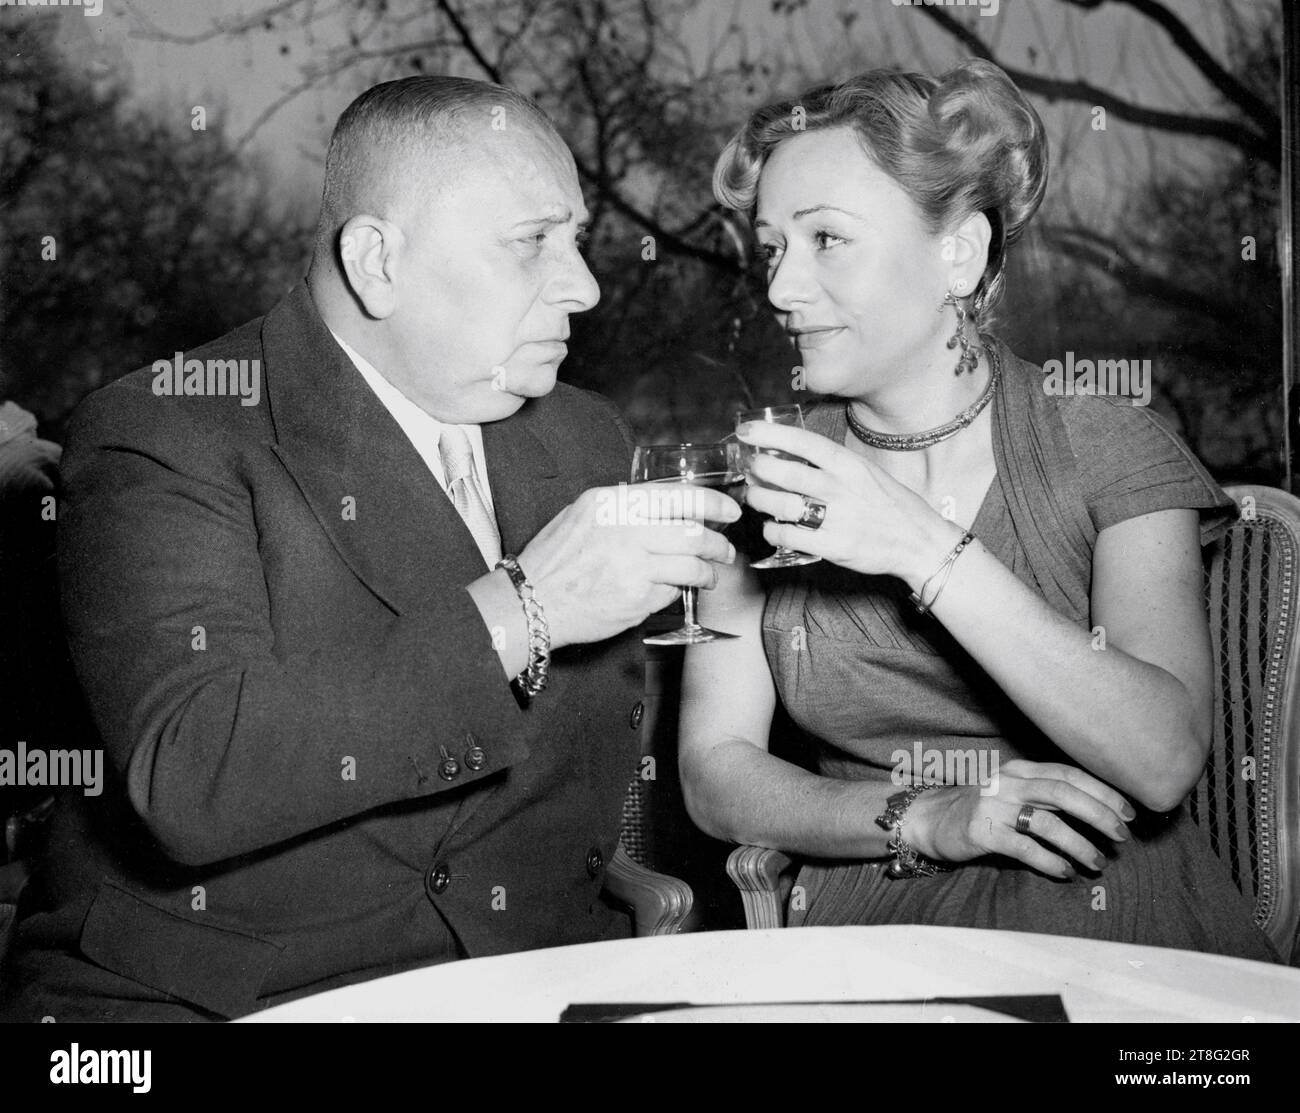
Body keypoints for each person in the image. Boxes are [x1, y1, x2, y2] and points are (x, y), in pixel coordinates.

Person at [0, 75, 739, 1021]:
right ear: (376, 261)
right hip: (215, 999)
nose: (585, 287)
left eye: (580, 238)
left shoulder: (582, 436)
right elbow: (192, 774)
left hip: (521, 982)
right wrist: (527, 605)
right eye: (532, 244)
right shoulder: (166, 429)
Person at [678, 61, 1277, 960]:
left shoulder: (1105, 442)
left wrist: (922, 548)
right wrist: (927, 815)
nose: (779, 290)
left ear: (957, 251)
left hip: (1106, 910)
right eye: (772, 248)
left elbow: (1162, 760)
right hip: (872, 908)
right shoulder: (769, 474)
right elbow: (713, 773)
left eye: (826, 239)